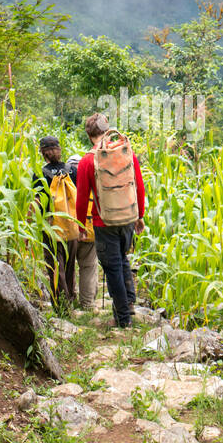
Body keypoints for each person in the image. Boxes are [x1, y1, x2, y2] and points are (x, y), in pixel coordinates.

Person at [75, 112, 146, 328]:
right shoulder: (125, 153)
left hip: (102, 222)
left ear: (89, 135)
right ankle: (129, 304)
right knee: (122, 259)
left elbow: (81, 198)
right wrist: (139, 216)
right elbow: (139, 186)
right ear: (107, 131)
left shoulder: (88, 160)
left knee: (113, 268)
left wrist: (80, 225)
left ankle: (123, 319)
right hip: (127, 218)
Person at [33, 135, 78, 311]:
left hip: (51, 226)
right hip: (71, 223)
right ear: (59, 150)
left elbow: (38, 201)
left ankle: (62, 306)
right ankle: (71, 298)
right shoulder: (72, 171)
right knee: (69, 265)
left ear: (43, 153)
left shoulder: (40, 174)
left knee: (54, 265)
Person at [68, 153, 100, 312]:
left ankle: (69, 299)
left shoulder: (64, 181)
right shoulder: (92, 178)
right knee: (88, 266)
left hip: (69, 230)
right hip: (89, 229)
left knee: (68, 266)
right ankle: (87, 304)